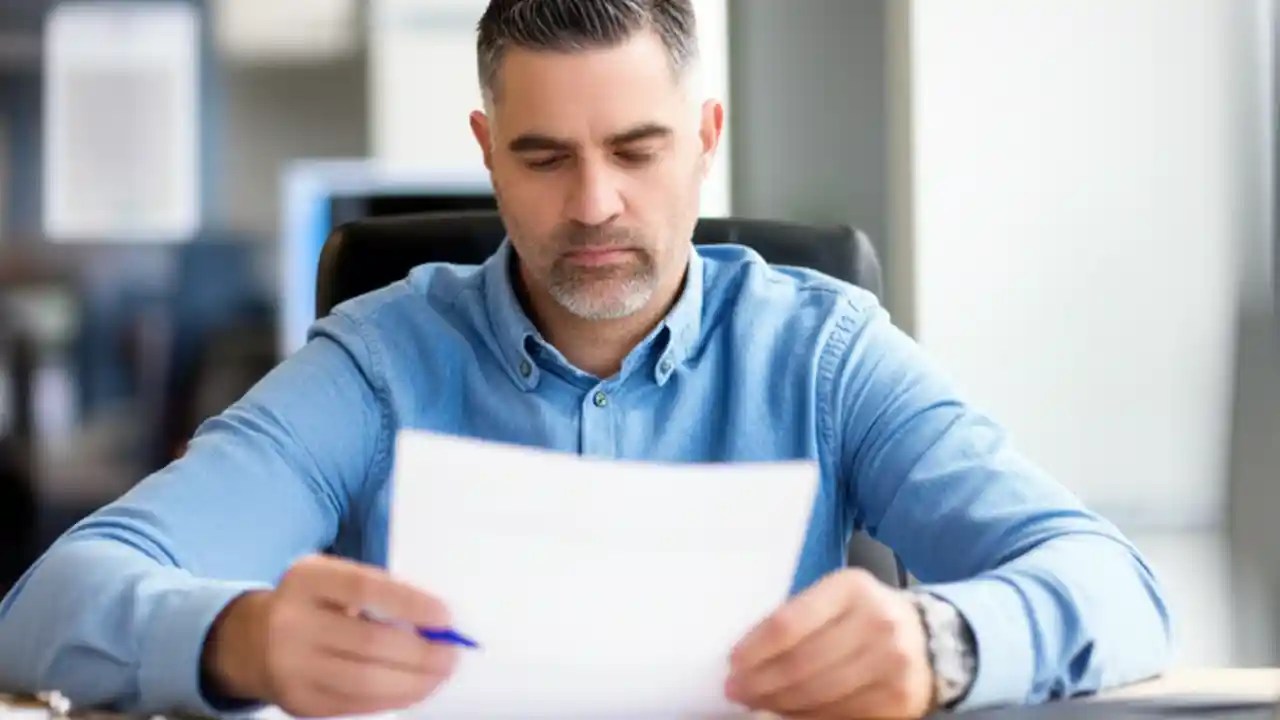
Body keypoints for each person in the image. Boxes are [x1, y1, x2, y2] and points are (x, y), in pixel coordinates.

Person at [0, 1, 1171, 718]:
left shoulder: (821, 353)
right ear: (487, 156)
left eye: (637, 148)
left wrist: (942, 643)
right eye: (545, 156)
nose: (595, 203)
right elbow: (46, 604)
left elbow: (1113, 586)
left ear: (703, 142)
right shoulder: (375, 364)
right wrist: (236, 638)